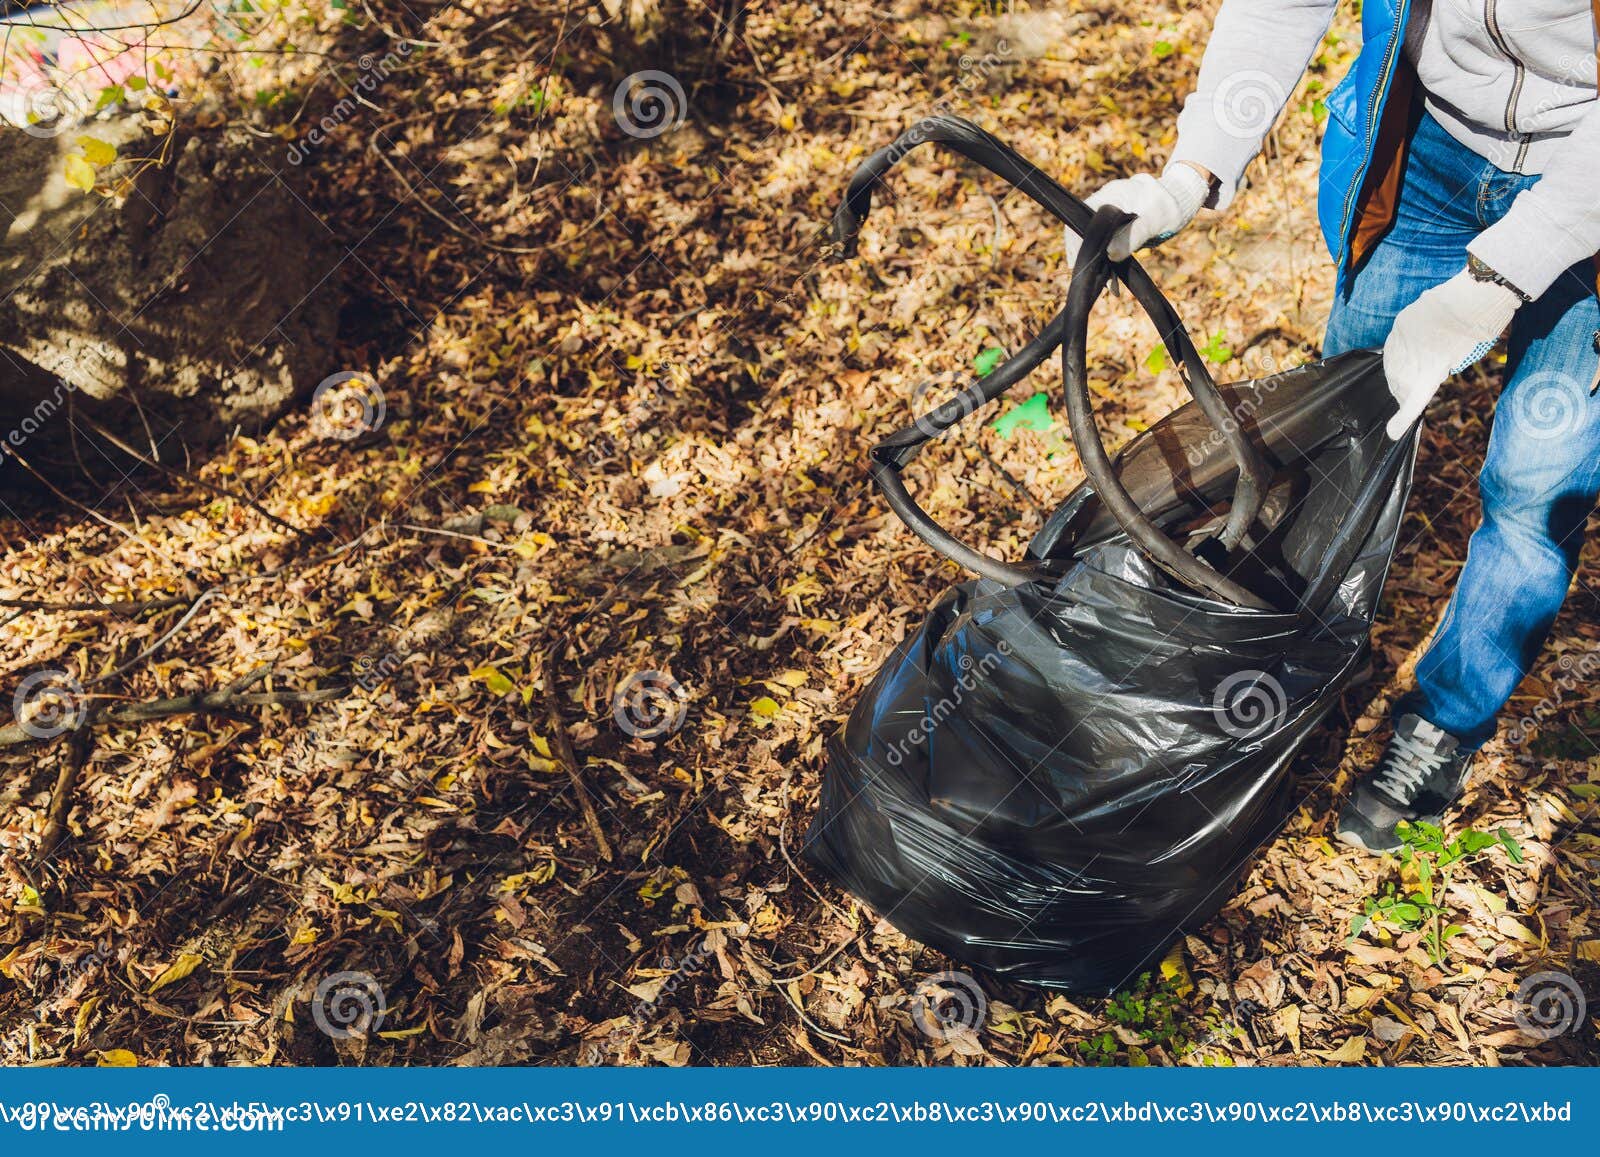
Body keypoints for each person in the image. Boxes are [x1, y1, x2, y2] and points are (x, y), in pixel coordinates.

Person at [1071, 0, 1600, 853]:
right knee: (1335, 442)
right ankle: (1271, 678)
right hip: (1430, 147)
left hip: (1591, 187)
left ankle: (1446, 721)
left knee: (1537, 487)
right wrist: (1190, 173)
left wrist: (1498, 278)